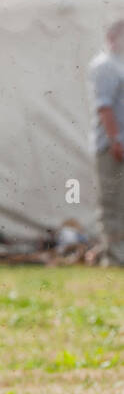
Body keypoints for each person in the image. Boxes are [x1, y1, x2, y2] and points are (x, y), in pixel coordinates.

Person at [89, 20, 124, 266]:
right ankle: (114, 258)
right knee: (113, 204)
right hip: (112, 146)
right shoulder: (105, 65)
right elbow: (104, 106)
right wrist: (116, 140)